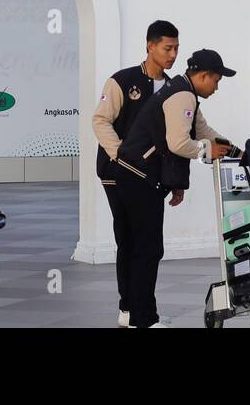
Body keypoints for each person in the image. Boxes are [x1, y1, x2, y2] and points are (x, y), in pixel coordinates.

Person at [115, 48, 240, 328]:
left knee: (137, 248)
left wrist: (234, 149)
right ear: (203, 75)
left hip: (131, 175)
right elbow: (179, 143)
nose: (217, 87)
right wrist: (209, 151)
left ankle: (131, 314)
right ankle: (144, 320)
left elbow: (202, 130)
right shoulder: (183, 95)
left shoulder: (183, 91)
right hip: (138, 178)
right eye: (216, 80)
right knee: (148, 250)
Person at [91, 19, 178, 328]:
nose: (172, 55)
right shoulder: (122, 81)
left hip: (151, 179)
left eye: (176, 49)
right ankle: (138, 312)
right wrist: (121, 154)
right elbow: (101, 120)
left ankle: (131, 309)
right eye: (167, 48)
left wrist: (176, 181)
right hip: (117, 173)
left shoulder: (171, 88)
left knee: (136, 242)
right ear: (150, 46)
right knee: (132, 240)